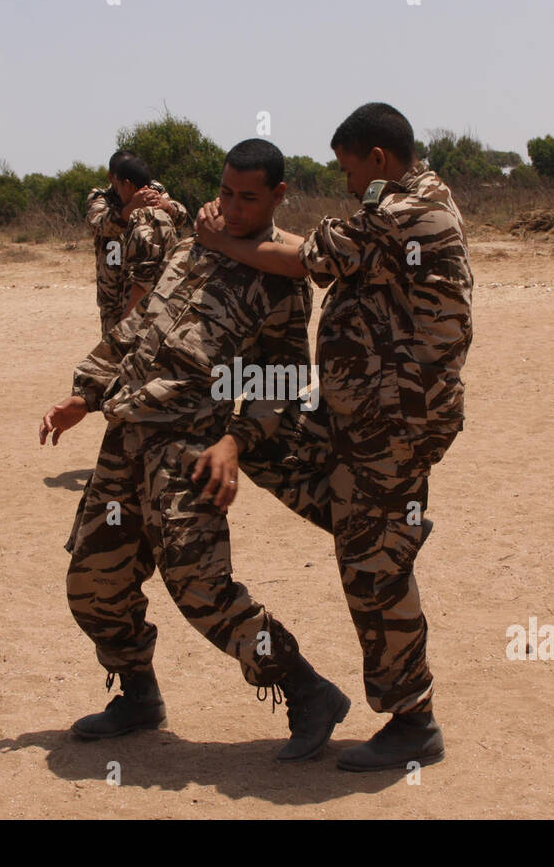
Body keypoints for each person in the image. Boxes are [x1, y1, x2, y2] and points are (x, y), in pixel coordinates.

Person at [40, 138, 349, 763]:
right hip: (126, 434)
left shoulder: (282, 280)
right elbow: (138, 328)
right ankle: (138, 694)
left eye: (249, 198)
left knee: (202, 590)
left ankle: (305, 688)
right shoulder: (191, 245)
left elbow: (281, 383)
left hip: (188, 448)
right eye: (227, 192)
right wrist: (85, 393)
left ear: (278, 195)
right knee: (94, 579)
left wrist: (235, 440)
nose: (232, 208)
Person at [194, 102, 472, 771]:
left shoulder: (404, 213)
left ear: (377, 159)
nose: (347, 182)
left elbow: (302, 260)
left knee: (373, 573)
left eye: (350, 169)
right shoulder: (411, 202)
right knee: (262, 439)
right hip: (360, 415)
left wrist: (221, 240)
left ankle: (414, 720)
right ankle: (382, 526)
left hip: (391, 425)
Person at [85, 152, 187, 335]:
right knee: (114, 346)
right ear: (112, 177)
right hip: (112, 291)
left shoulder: (154, 189)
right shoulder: (101, 196)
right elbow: (98, 224)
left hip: (148, 287)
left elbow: (181, 216)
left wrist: (166, 206)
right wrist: (129, 209)